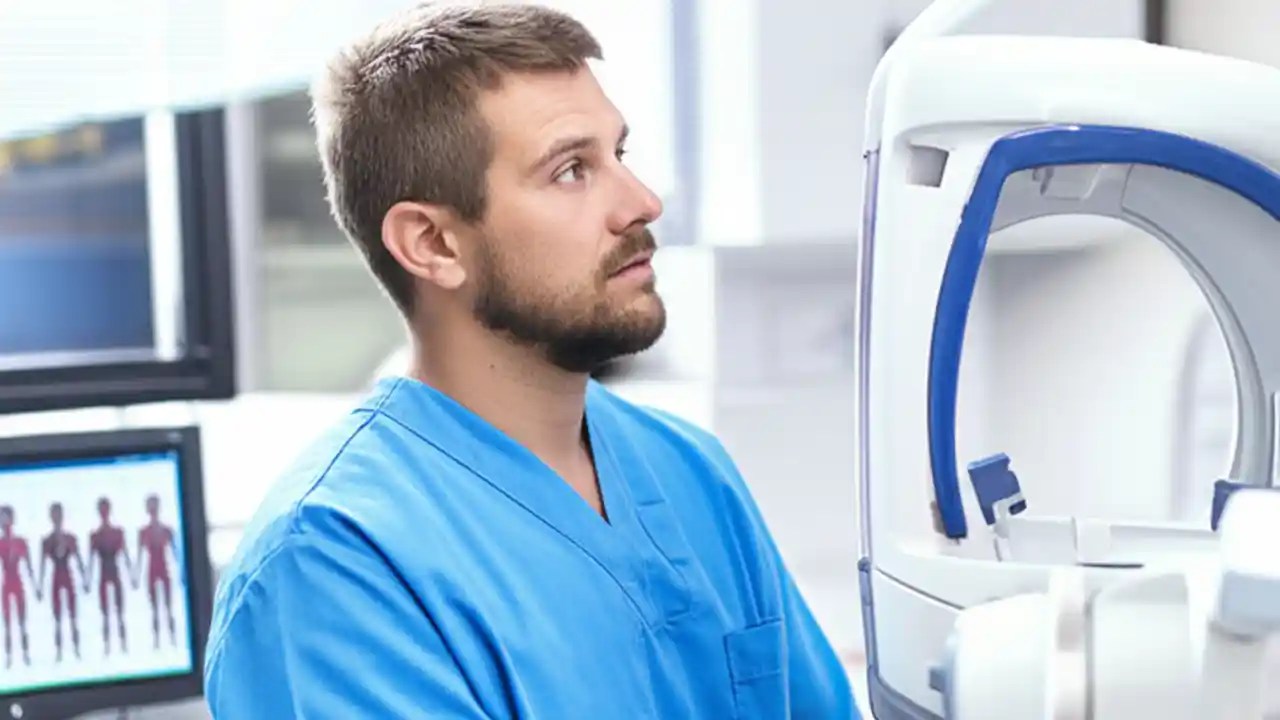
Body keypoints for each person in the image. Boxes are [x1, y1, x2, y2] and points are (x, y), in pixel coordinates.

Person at [203, 3, 860, 719]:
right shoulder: (334, 565)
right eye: (572, 170)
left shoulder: (691, 471)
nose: (640, 203)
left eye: (621, 155)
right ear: (433, 244)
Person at [86, 497, 133, 655]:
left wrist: (132, 574)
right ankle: (107, 646)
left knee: (120, 611)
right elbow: (91, 560)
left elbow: (125, 554)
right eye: (102, 509)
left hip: (115, 572)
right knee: (105, 612)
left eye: (105, 509)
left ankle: (123, 644)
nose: (104, 513)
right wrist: (87, 579)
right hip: (103, 574)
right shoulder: (95, 535)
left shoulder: (117, 532)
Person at [38, 501, 84, 662]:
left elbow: (78, 559)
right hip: (56, 577)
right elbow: (43, 565)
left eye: (59, 514)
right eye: (54, 515)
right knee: (58, 616)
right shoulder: (47, 540)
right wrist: (40, 586)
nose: (57, 518)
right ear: (51, 517)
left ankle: (76, 648)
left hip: (67, 575)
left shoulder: (70, 538)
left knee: (72, 615)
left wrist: (84, 577)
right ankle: (58, 651)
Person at [137, 494, 179, 649]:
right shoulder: (144, 532)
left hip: (163, 568)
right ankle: (156, 640)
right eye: (151, 507)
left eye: (155, 507)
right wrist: (135, 575)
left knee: (168, 606)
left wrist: (181, 573)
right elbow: (140, 556)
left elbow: (175, 553)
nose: (153, 510)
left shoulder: (167, 530)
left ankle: (172, 638)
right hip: (152, 570)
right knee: (155, 607)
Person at [0, 505, 33, 668]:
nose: (4, 521)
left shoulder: (20, 542)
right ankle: (8, 656)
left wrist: (35, 585)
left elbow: (29, 565)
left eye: (6, 517)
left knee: (22, 621)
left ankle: (25, 654)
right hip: (7, 584)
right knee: (7, 623)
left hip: (17, 582)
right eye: (1, 518)